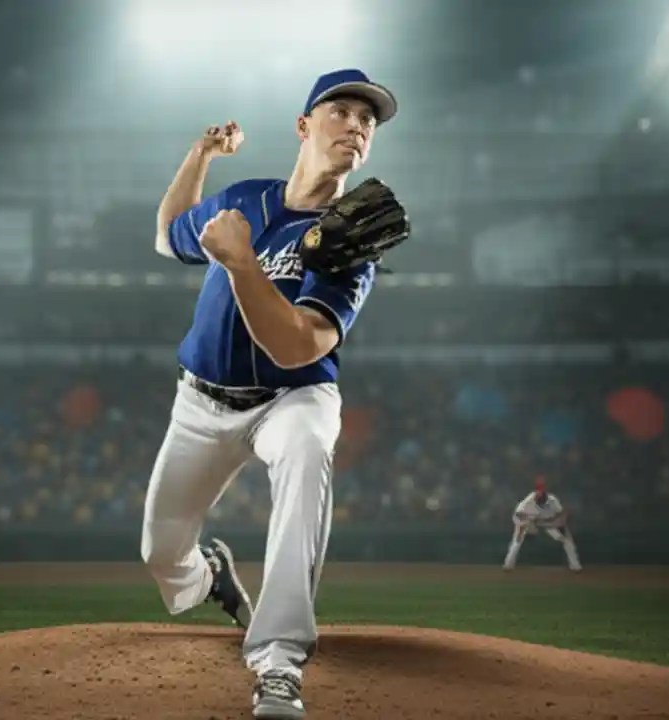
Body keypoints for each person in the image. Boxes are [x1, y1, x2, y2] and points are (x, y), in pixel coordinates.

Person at [140, 68, 398, 719]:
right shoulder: (246, 197)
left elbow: (298, 347)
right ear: (304, 125)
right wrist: (200, 155)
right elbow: (168, 235)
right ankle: (211, 579)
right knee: (161, 556)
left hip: (293, 397)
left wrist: (241, 262)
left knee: (310, 447)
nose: (358, 124)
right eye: (341, 110)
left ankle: (278, 660)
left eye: (368, 120)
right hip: (200, 403)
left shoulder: (351, 239)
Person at [503, 477, 582, 572]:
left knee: (567, 539)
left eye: (542, 490)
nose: (540, 492)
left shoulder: (552, 500)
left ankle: (575, 566)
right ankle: (508, 564)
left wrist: (560, 524)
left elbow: (561, 513)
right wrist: (524, 525)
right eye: (539, 490)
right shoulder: (528, 501)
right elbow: (517, 515)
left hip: (548, 523)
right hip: (531, 522)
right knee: (517, 539)